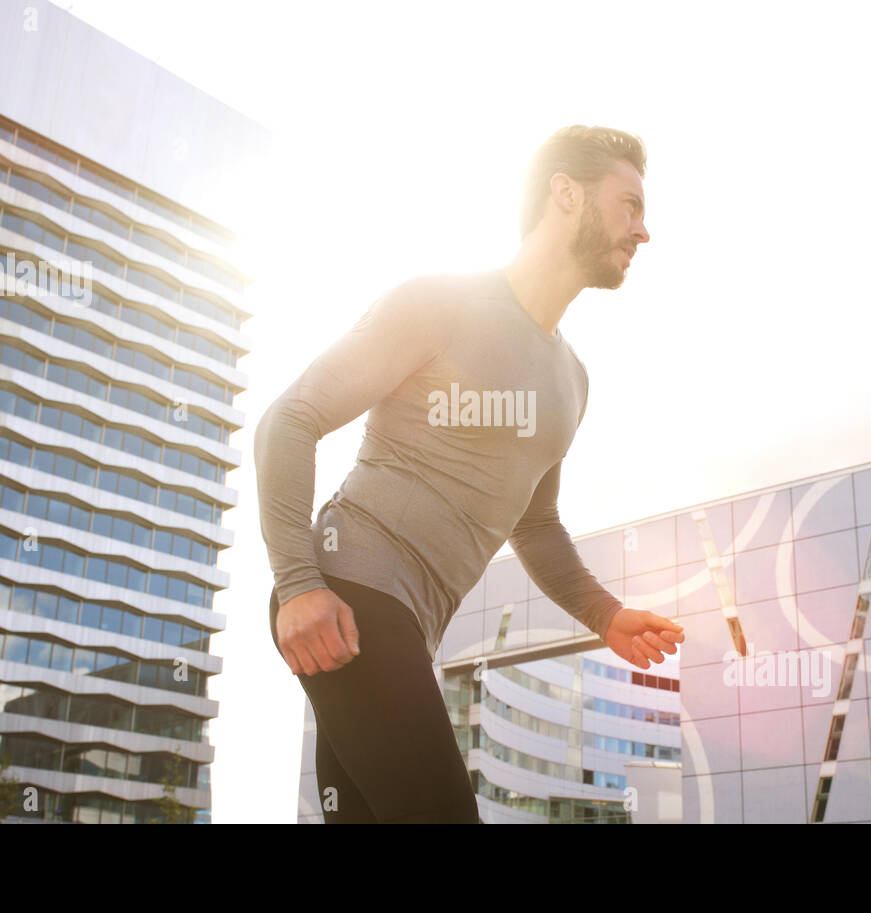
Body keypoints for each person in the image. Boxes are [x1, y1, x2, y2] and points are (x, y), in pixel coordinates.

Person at [255, 124, 683, 824]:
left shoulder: (571, 379)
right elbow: (290, 418)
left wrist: (605, 614)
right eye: (629, 205)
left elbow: (536, 523)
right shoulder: (443, 301)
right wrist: (298, 586)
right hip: (349, 590)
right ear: (566, 194)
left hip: (398, 632)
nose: (643, 230)